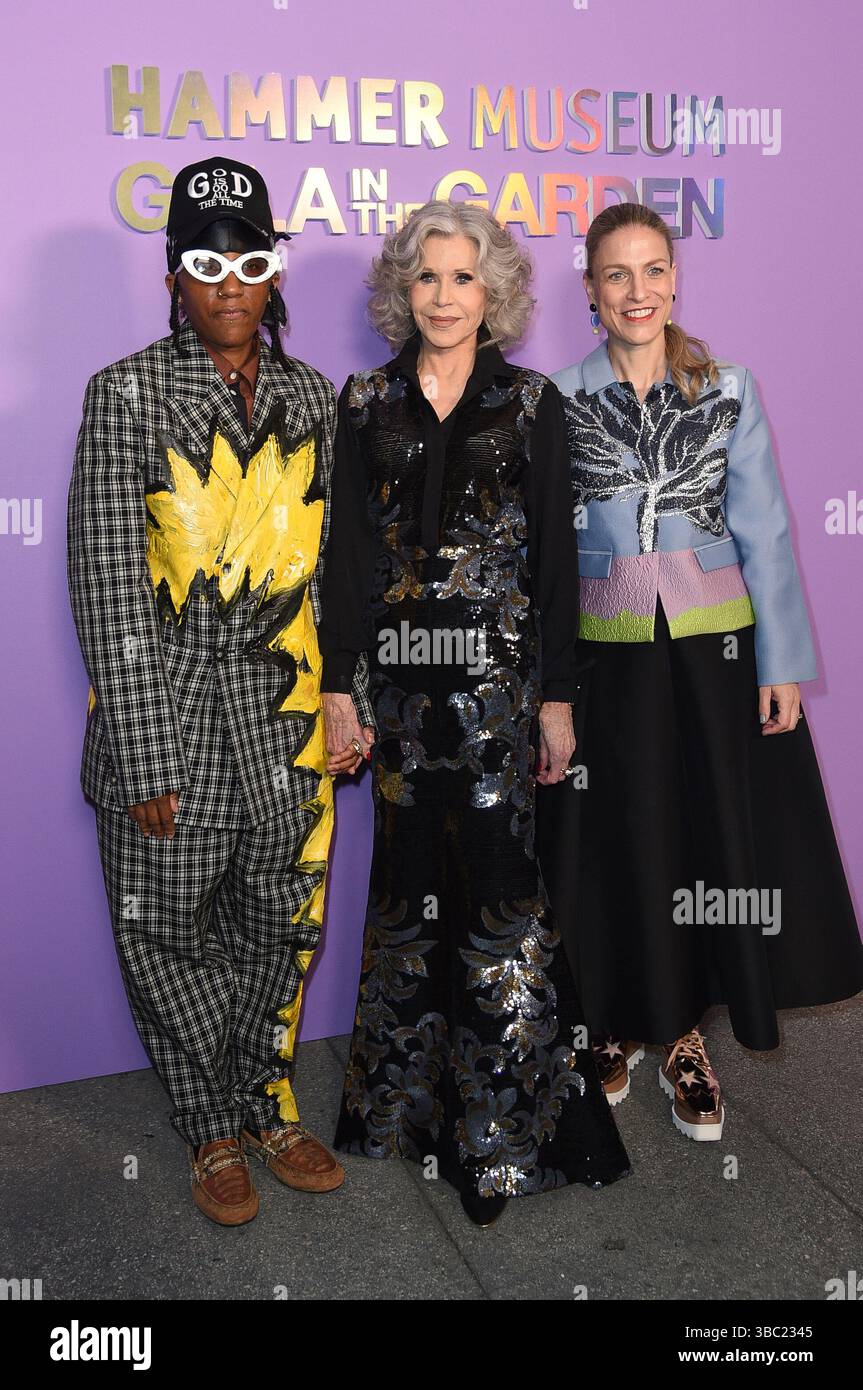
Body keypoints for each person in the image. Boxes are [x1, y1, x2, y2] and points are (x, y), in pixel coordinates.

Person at [67, 157, 375, 1225]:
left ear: (274, 272)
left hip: (282, 713)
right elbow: (106, 584)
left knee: (280, 918)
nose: (231, 284)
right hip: (172, 717)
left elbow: (337, 566)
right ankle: (207, 1120)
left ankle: (267, 1097)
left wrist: (342, 694)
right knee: (165, 927)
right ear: (172, 278)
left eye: (251, 260)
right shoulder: (126, 393)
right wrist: (144, 757)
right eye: (207, 264)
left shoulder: (307, 398)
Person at [317, 200, 631, 1227]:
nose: (444, 297)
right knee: (411, 893)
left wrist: (555, 699)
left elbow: (553, 561)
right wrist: (337, 686)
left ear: (491, 291)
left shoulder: (534, 405)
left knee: (499, 897)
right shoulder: (363, 401)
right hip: (402, 701)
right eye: (426, 278)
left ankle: (497, 1138)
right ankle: (408, 1112)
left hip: (498, 697)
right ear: (400, 290)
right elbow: (347, 561)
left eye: (462, 279)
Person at [537, 200, 863, 1141]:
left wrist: (782, 662)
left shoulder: (726, 387)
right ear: (590, 290)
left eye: (651, 271)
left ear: (673, 280)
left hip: (715, 653)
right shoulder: (554, 398)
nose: (635, 291)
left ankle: (684, 1037)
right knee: (616, 841)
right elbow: (550, 551)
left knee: (699, 843)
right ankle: (613, 1026)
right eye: (614, 274)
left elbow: (763, 528)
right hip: (606, 657)